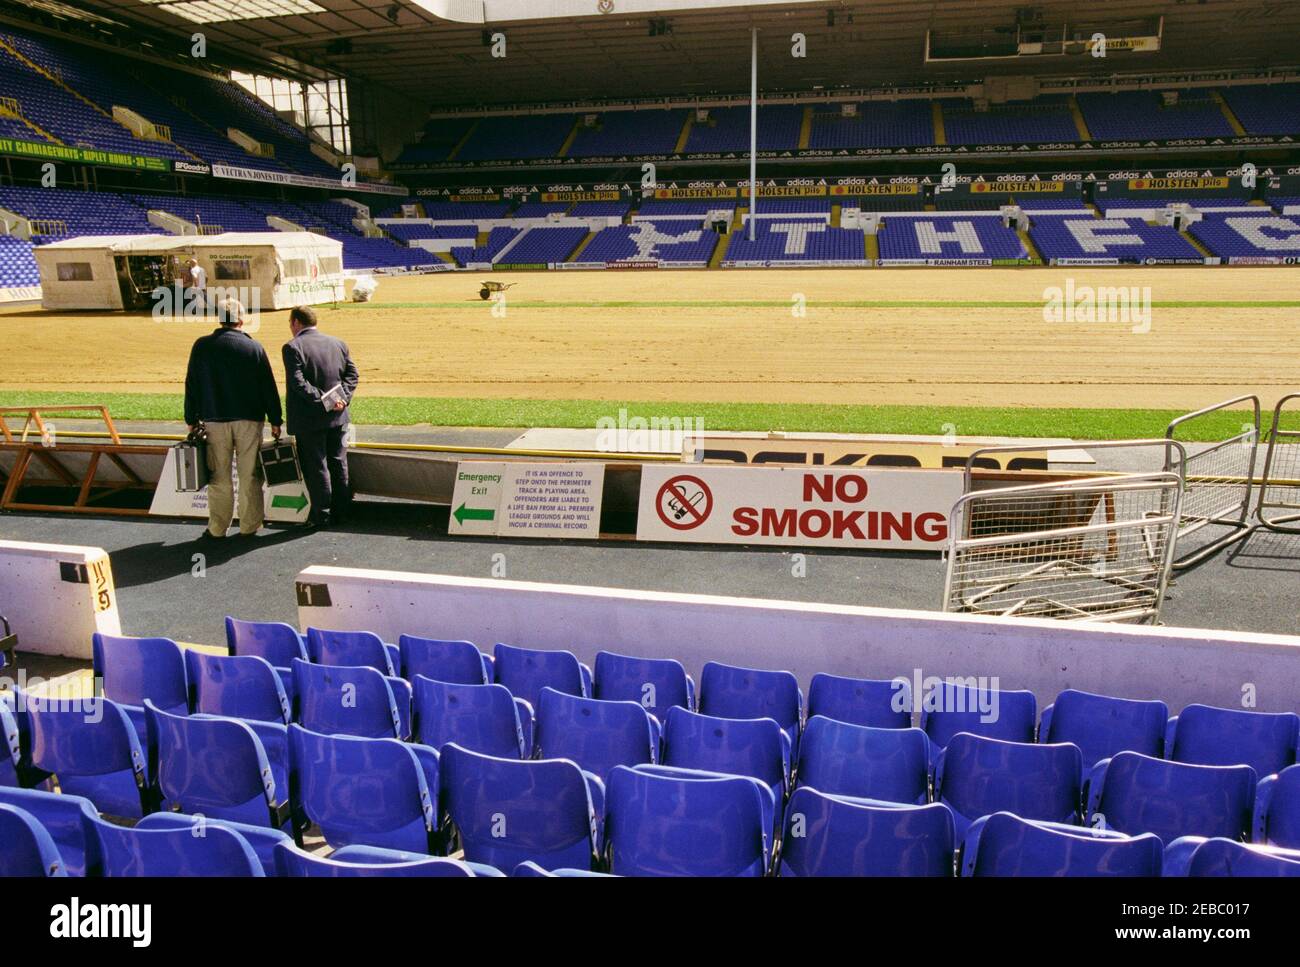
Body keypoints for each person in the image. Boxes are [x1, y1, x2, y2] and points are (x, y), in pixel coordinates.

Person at [183, 297, 282, 541]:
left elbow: (191, 384)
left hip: (214, 419)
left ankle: (217, 528)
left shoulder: (201, 346)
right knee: (249, 475)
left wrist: (190, 418)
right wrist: (276, 420)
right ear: (241, 319)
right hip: (249, 419)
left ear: (220, 319)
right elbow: (268, 386)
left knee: (219, 476)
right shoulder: (253, 347)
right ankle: (249, 526)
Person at [283, 305, 358, 527]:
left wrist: (325, 402)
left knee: (316, 466)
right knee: (338, 463)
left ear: (296, 322)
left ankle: (322, 513)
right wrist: (340, 399)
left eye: (290, 323)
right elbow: (352, 374)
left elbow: (298, 384)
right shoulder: (338, 343)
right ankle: (341, 510)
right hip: (339, 416)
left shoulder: (292, 347)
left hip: (310, 419)